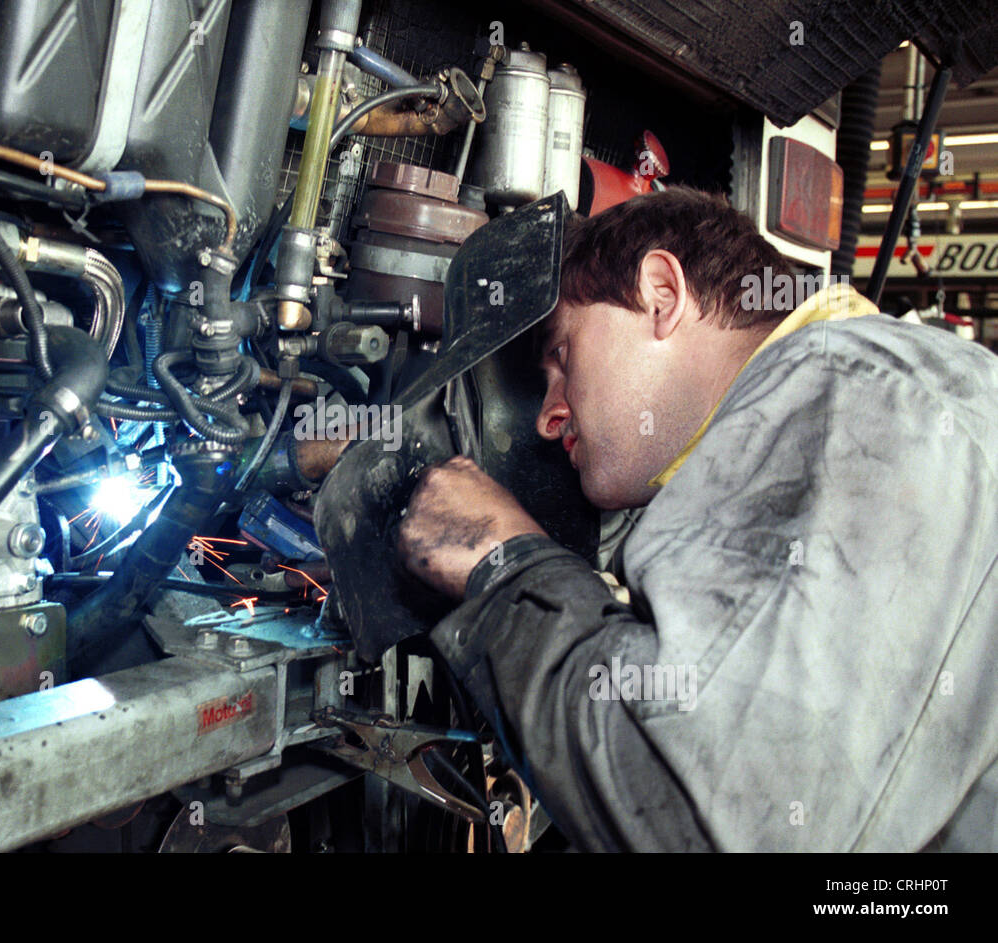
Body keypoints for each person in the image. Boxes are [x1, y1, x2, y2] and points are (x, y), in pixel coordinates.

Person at [396, 186, 998, 851]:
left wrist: (505, 563)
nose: (548, 414)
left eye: (562, 356)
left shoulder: (862, 393)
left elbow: (714, 814)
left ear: (661, 293)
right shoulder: (878, 390)